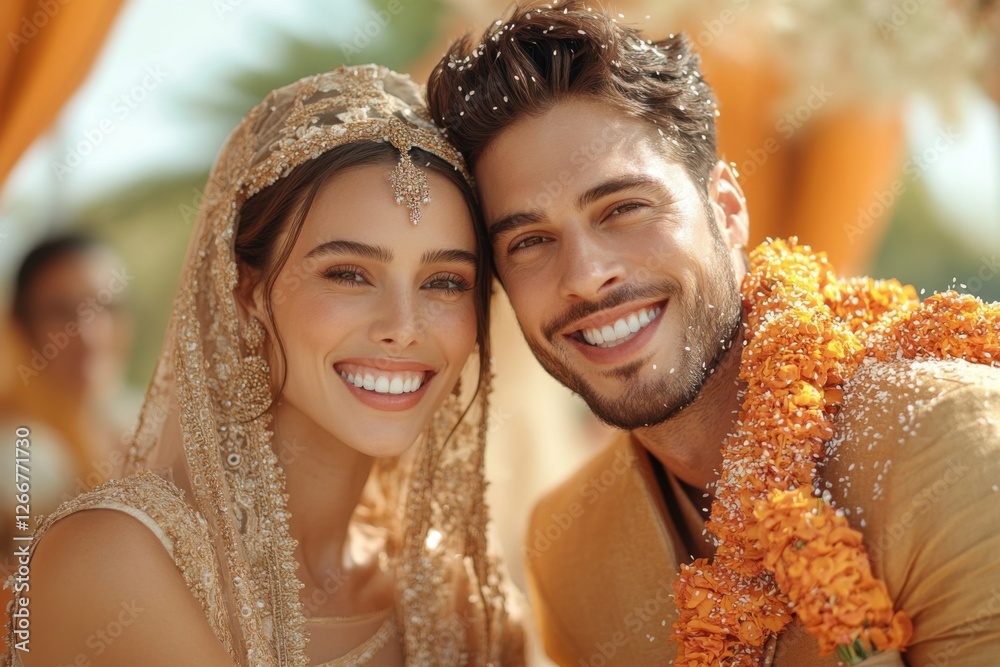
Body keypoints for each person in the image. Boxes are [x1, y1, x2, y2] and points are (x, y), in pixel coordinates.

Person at [427, 2, 1000, 665]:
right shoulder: (570, 554)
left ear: (727, 208)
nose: (585, 275)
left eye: (625, 207)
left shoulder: (957, 450)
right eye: (529, 241)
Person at [4, 65, 524, 666]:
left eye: (444, 282)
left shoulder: (458, 600)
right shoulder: (115, 558)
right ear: (247, 292)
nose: (404, 327)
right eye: (349, 274)